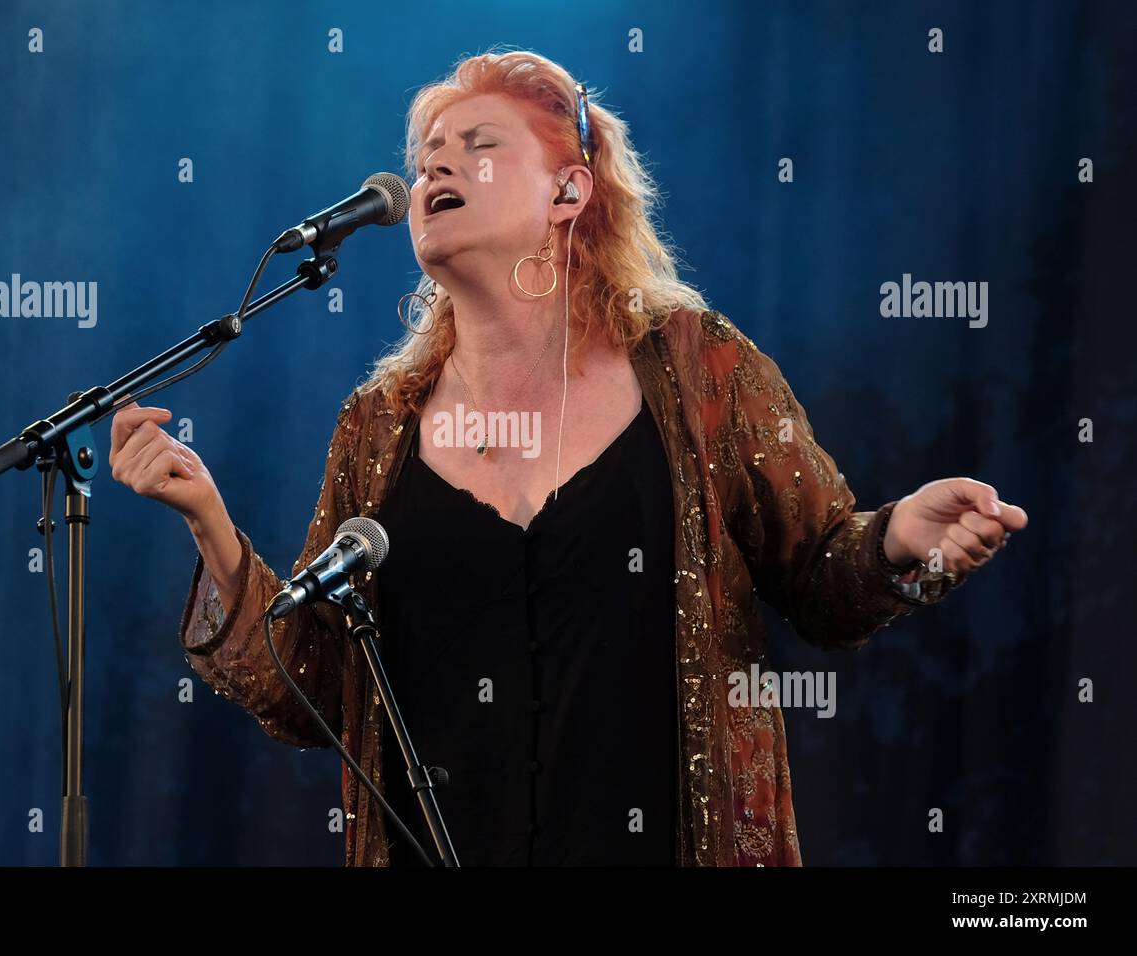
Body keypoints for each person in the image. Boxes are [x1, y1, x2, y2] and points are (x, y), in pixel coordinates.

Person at [108, 50, 1028, 866]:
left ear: (569, 192)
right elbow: (313, 684)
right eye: (427, 148)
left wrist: (902, 537)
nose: (432, 161)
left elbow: (824, 579)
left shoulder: (699, 367)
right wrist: (209, 521)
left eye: (476, 143)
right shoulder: (377, 425)